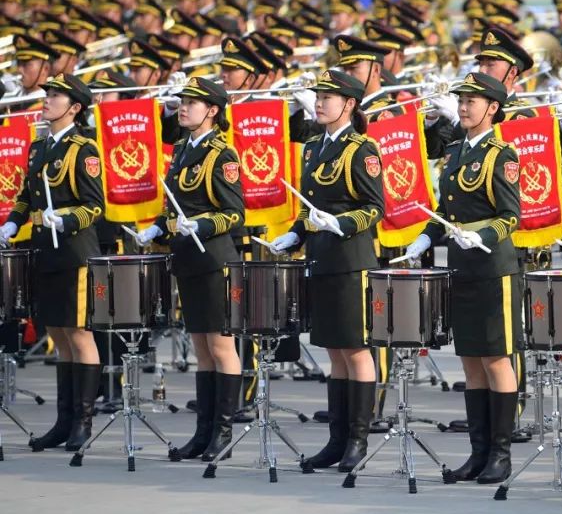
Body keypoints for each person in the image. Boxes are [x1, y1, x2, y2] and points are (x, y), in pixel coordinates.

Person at [402, 72, 522, 485]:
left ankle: (501, 455)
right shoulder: (455, 151)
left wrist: (482, 235)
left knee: (496, 359)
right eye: (462, 100)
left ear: (493, 108)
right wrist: (425, 237)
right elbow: (445, 211)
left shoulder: (501, 155)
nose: (464, 107)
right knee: (470, 360)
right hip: (460, 265)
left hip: (492, 269)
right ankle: (478, 452)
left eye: (472, 101)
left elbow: (511, 216)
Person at [268, 69, 385, 472]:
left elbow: (375, 207)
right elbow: (310, 206)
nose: (318, 103)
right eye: (317, 97)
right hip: (321, 258)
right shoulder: (314, 147)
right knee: (335, 351)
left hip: (351, 261)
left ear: (349, 104)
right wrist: (295, 234)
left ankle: (357, 440)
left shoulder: (361, 149)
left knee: (355, 349)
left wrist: (342, 223)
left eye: (327, 97)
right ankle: (337, 440)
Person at [134, 77, 245, 462]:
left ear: (212, 111)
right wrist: (159, 227)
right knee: (201, 348)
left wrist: (201, 224)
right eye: (182, 101)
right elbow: (176, 207)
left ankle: (223, 433)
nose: (183, 108)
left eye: (192, 103)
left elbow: (234, 213)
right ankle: (204, 431)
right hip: (188, 258)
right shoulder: (182, 148)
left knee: (221, 345)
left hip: (214, 260)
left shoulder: (222, 154)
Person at [1, 74, 104, 452]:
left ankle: (83, 422)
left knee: (79, 335)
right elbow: (27, 195)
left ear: (74, 108)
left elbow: (94, 205)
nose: (46, 101)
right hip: (46, 249)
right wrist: (12, 222)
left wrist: (66, 219)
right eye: (47, 95)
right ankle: (64, 421)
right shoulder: (39, 146)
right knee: (58, 334)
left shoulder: (84, 148)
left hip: (74, 251)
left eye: (55, 96)